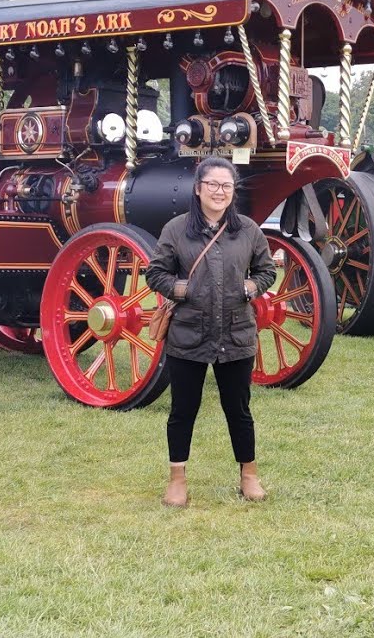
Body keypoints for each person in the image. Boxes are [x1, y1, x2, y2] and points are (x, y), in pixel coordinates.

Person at [146, 156, 277, 507]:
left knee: (239, 409)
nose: (219, 192)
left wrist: (251, 287)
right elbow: (155, 273)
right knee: (183, 410)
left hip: (236, 334)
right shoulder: (176, 229)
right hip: (188, 334)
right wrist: (182, 290)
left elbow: (267, 271)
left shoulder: (248, 229)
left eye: (226, 186)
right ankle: (177, 479)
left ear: (233, 191)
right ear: (198, 188)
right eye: (213, 185)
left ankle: (249, 475)